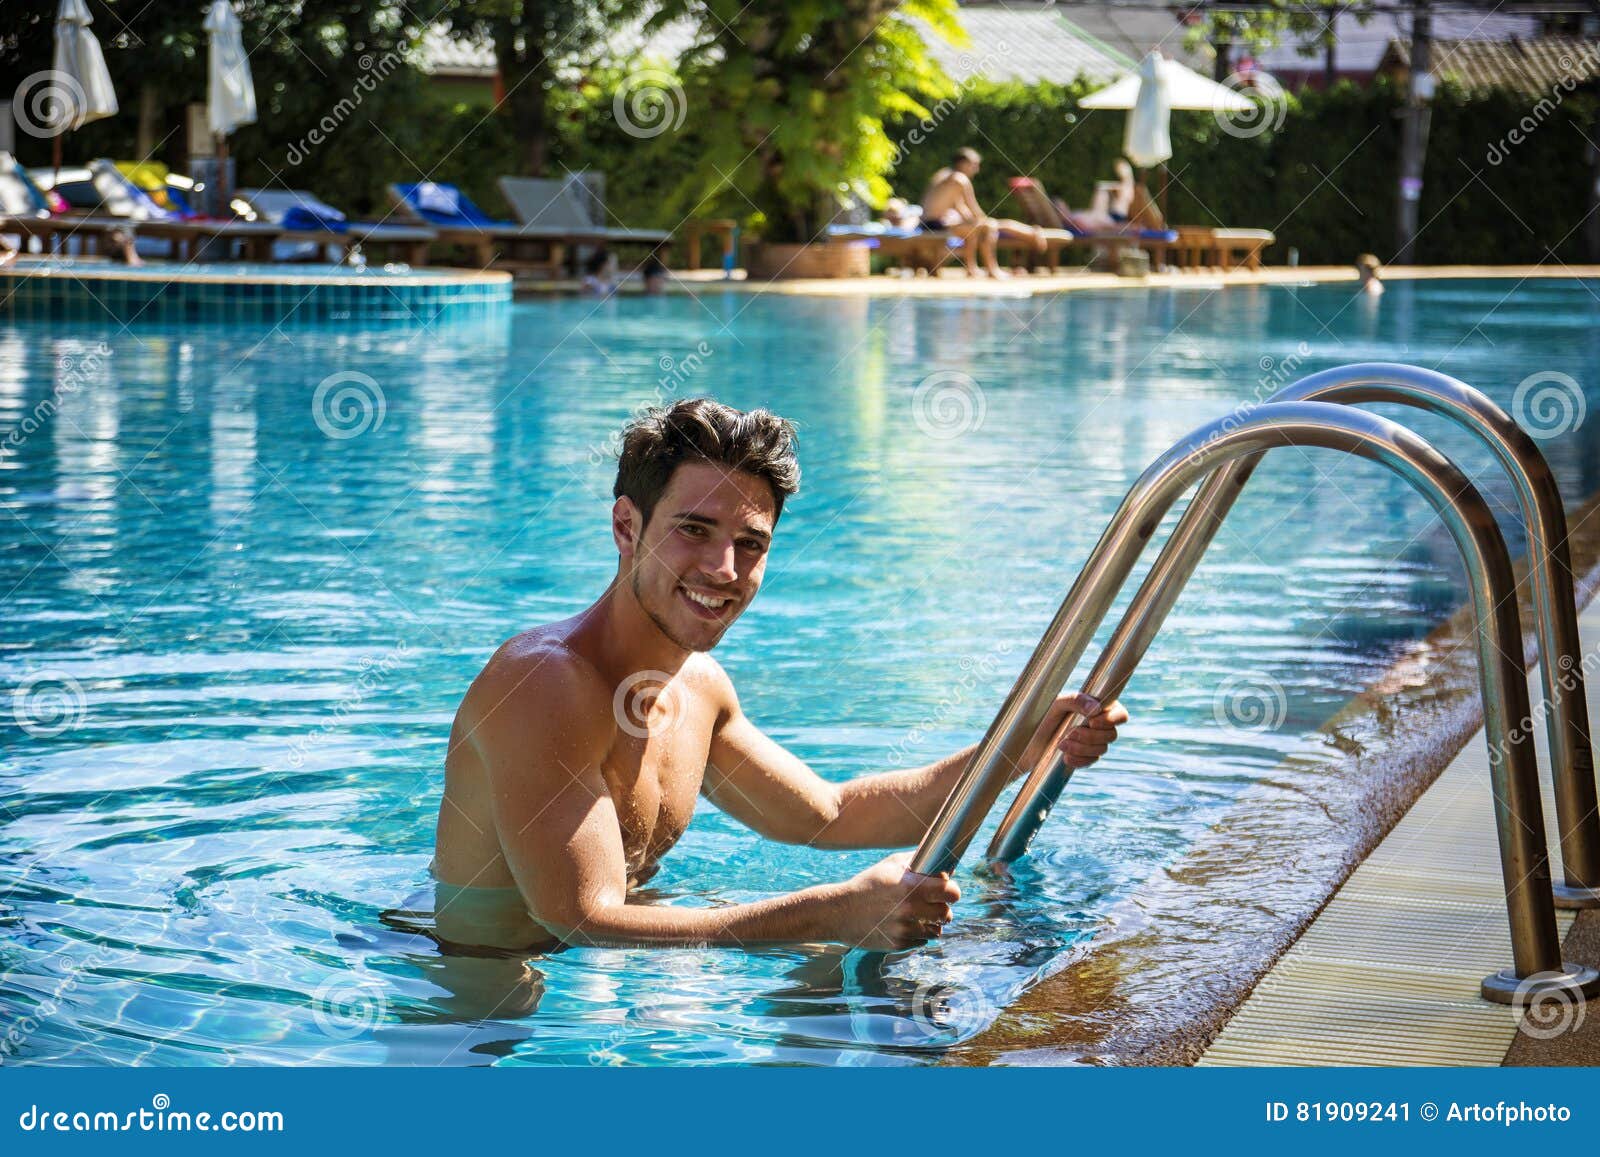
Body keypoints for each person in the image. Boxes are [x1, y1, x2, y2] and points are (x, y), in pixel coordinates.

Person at [432, 399, 1129, 952]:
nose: (723, 569)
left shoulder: (698, 688)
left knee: (872, 977)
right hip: (484, 996)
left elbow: (831, 815)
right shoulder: (544, 685)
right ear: (626, 526)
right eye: (694, 530)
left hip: (615, 976)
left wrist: (1023, 747)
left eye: (750, 544)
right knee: (840, 959)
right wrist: (829, 912)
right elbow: (582, 918)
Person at [920, 147, 1046, 278]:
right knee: (987, 226)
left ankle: (972, 269)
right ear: (962, 164)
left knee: (980, 225)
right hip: (935, 225)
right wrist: (987, 222)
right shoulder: (960, 179)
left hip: (930, 223)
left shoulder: (946, 175)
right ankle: (993, 270)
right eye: (974, 165)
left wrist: (978, 221)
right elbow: (974, 209)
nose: (977, 169)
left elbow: (961, 208)